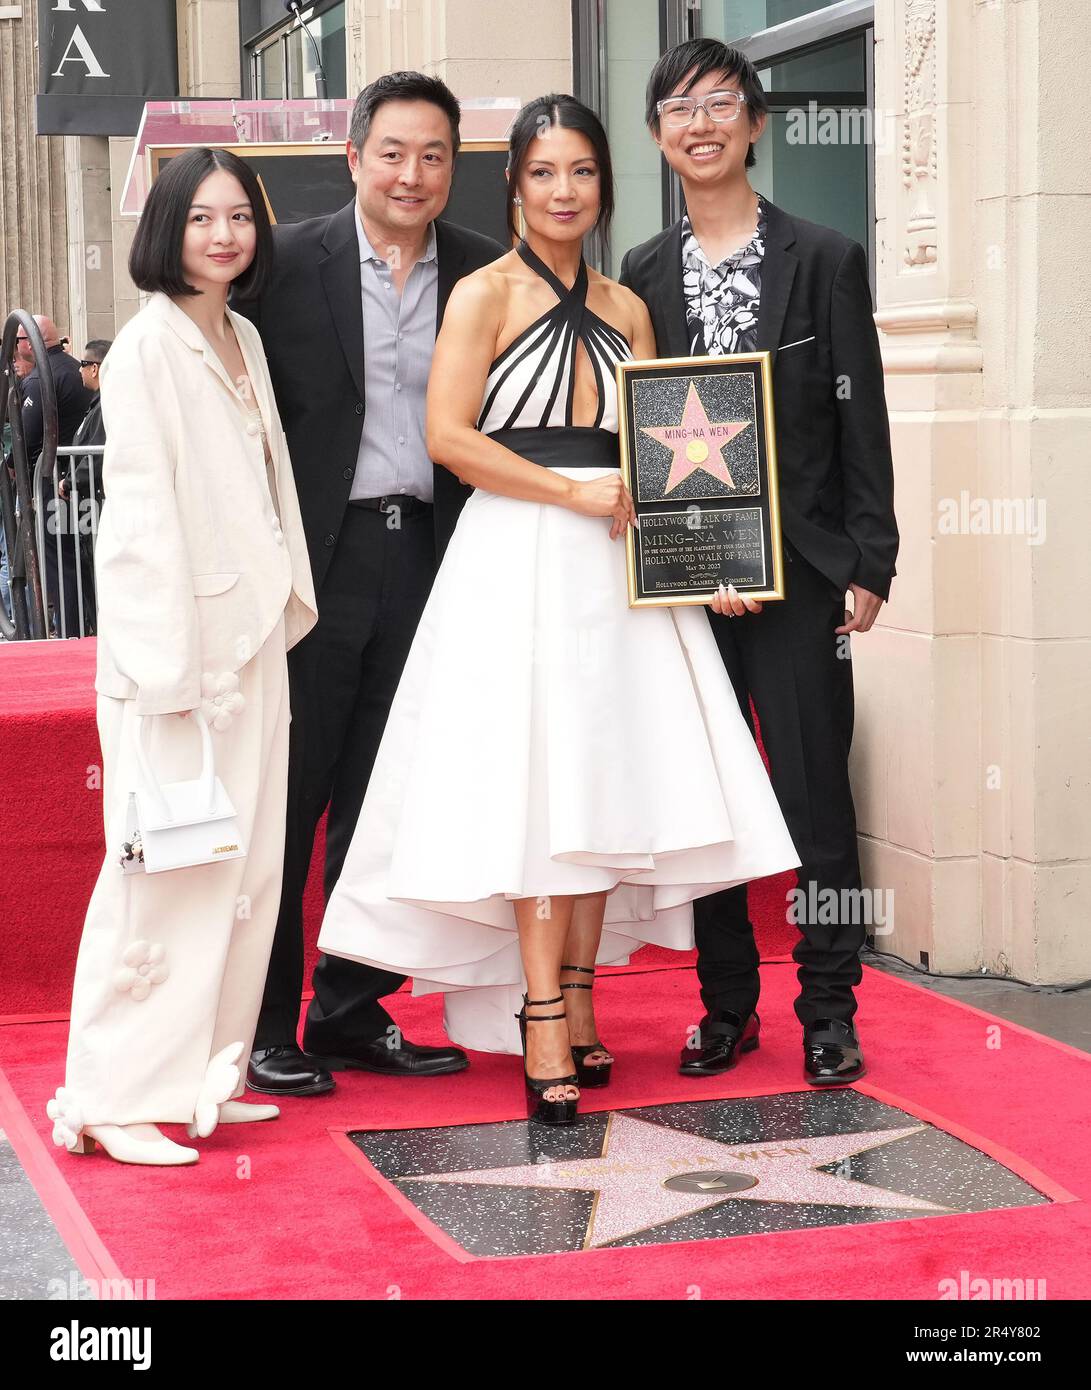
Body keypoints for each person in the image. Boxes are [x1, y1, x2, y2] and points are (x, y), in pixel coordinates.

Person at [317, 94, 799, 1124]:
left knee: (597, 782)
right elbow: (450, 437)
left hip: (620, 572)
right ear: (513, 184)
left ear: (603, 183)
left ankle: (579, 1001)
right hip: (517, 556)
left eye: (580, 171)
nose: (563, 191)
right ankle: (539, 1011)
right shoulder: (481, 294)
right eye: (542, 173)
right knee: (535, 785)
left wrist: (714, 546)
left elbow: (675, 446)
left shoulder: (629, 308)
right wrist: (570, 492)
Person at [620, 39, 899, 1085]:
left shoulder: (822, 257)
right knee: (703, 797)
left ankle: (828, 1006)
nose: (698, 124)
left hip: (801, 572)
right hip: (689, 576)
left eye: (718, 105)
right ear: (657, 134)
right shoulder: (640, 273)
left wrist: (870, 556)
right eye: (677, 109)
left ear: (753, 124)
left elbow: (860, 416)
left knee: (813, 793)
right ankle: (724, 1005)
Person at [234, 72, 506, 1099]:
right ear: (353, 158)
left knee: (385, 801)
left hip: (428, 561)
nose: (412, 173)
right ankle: (263, 1026)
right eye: (391, 152)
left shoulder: (482, 274)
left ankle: (350, 1011)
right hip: (312, 567)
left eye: (433, 155)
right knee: (289, 800)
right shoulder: (285, 262)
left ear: (452, 167)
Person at [46, 146, 318, 1166]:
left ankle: (206, 1069)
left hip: (251, 638)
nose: (223, 235)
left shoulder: (238, 329)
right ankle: (111, 1095)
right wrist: (165, 672)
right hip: (181, 654)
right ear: (167, 228)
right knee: (158, 871)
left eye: (238, 216)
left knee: (243, 869)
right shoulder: (153, 344)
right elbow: (142, 516)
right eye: (201, 217)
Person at [8, 318, 95, 636]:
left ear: (29, 342)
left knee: (60, 563)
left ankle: (70, 629)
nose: (15, 348)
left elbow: (27, 436)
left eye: (17, 341)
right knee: (75, 559)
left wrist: (13, 465)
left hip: (52, 481)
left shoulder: (41, 379)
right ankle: (80, 625)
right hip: (74, 479)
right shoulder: (74, 369)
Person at [56, 340, 112, 634]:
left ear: (95, 368)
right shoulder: (98, 406)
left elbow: (98, 455)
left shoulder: (106, 407)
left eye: (83, 364)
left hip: (97, 504)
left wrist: (70, 481)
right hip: (89, 504)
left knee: (98, 574)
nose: (79, 371)